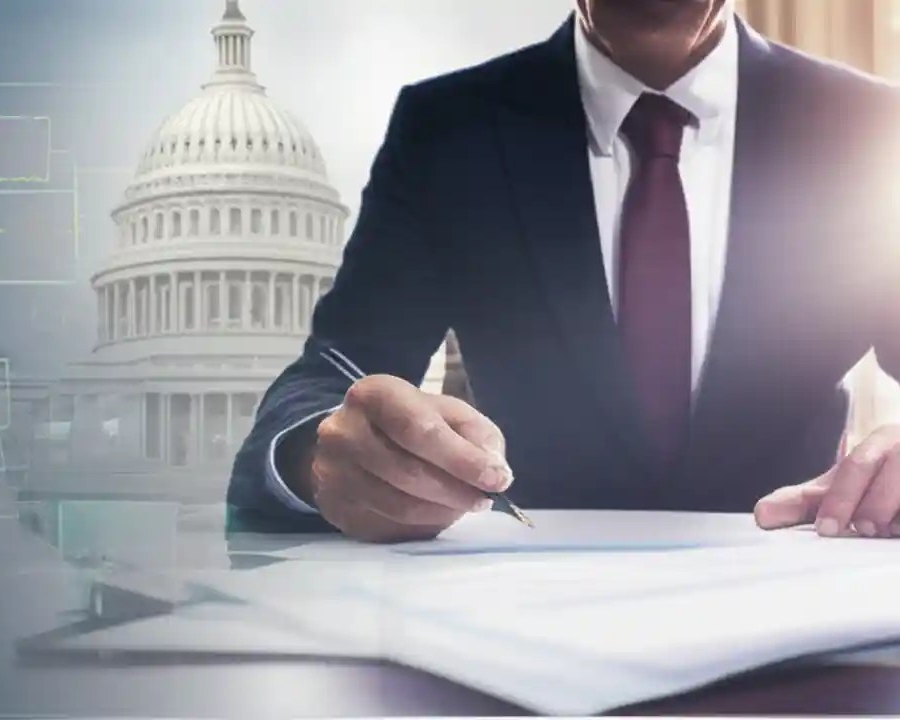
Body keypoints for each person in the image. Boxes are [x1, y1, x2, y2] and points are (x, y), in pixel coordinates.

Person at [227, 0, 900, 542]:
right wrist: (318, 460)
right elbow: (333, 373)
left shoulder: (871, 126)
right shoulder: (447, 129)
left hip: (798, 608)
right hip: (516, 609)